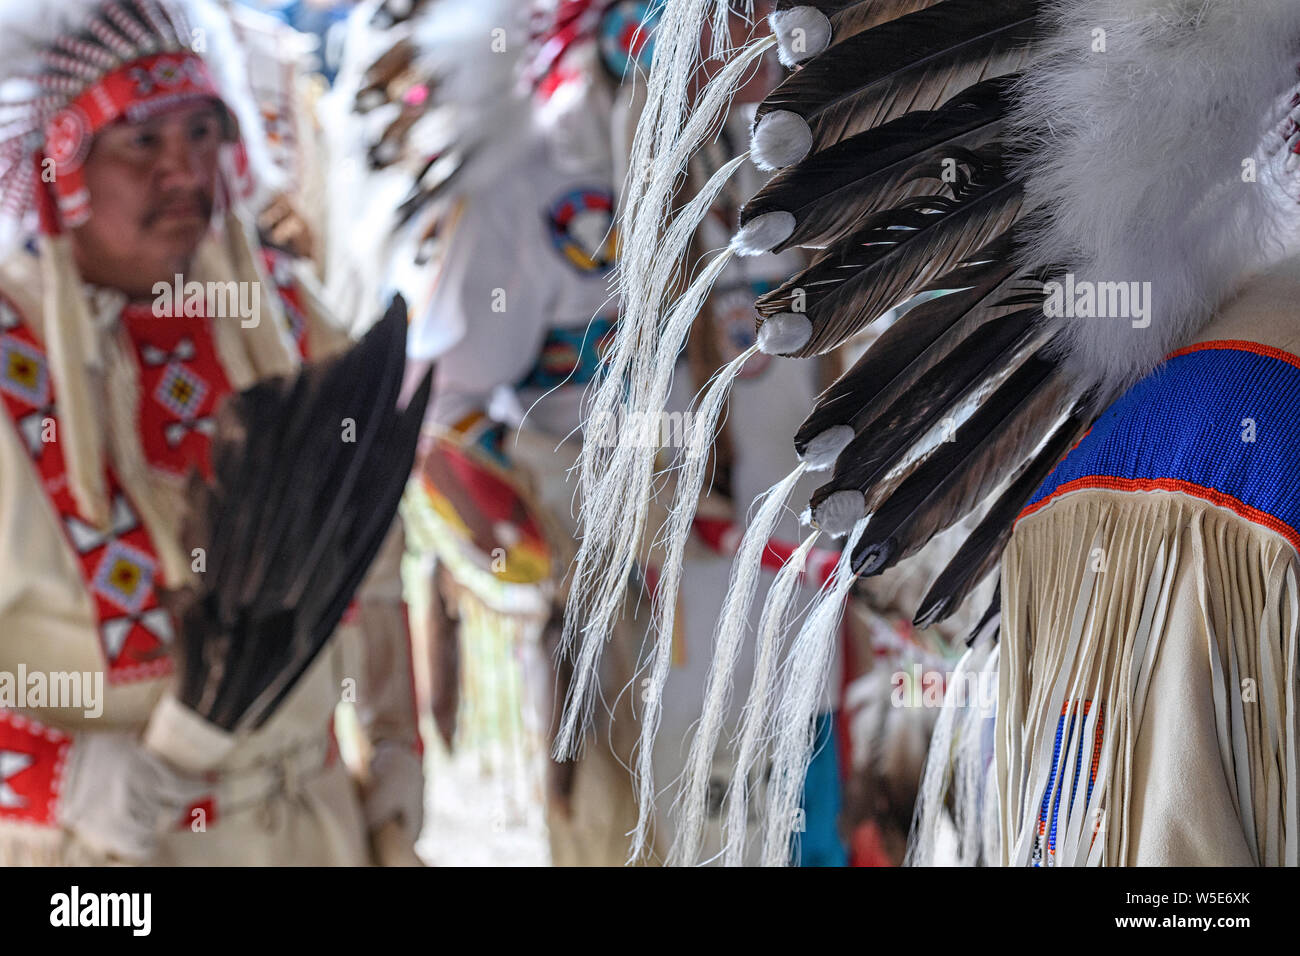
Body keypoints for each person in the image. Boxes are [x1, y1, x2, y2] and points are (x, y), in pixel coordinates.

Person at [0, 0, 422, 865]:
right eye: (141, 143)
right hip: (101, 859)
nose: (184, 172)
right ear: (59, 166)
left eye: (201, 133)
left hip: (305, 819)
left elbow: (373, 571)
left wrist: (392, 755)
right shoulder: (14, 356)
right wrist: (57, 778)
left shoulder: (283, 323)